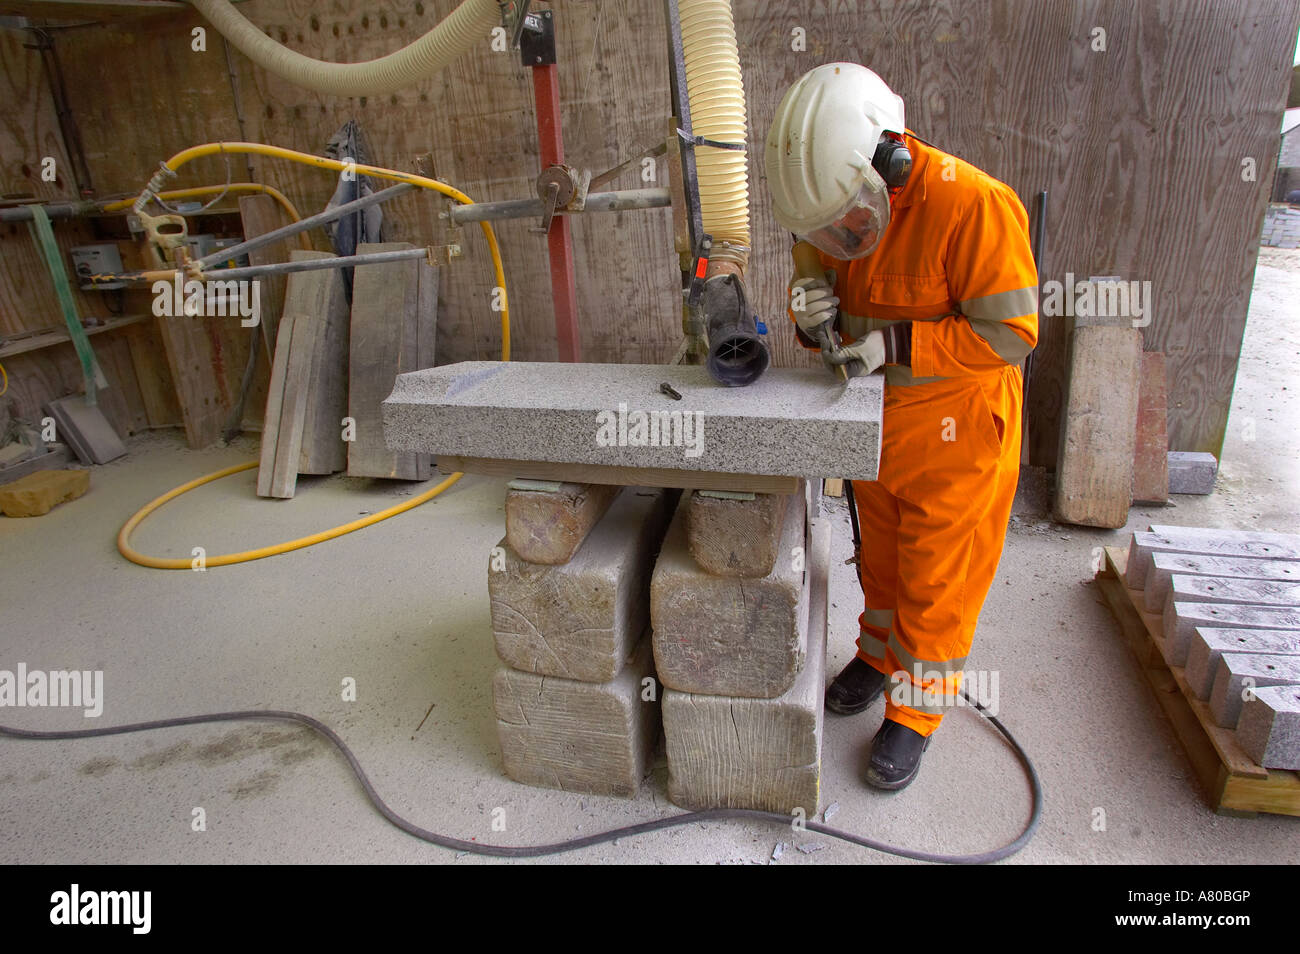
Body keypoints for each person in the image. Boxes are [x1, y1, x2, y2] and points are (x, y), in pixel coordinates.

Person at [765, 63, 1038, 791]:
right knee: (882, 563)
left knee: (935, 582)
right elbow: (831, 281)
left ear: (890, 159)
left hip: (959, 437)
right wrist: (808, 308)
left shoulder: (976, 205)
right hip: (872, 429)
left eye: (844, 218)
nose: (840, 233)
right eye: (824, 227)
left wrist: (899, 346)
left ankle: (915, 714)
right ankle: (879, 657)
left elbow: (1012, 333)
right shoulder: (840, 199)